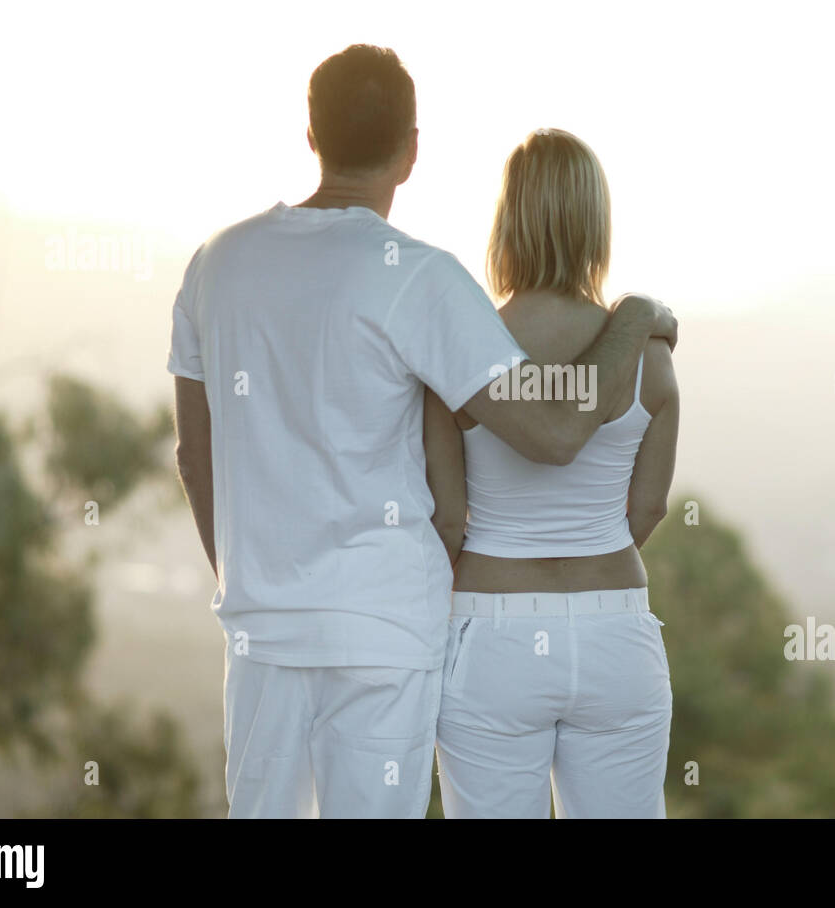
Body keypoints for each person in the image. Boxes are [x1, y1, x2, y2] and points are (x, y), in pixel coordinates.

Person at [167, 45, 676, 818]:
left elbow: (193, 457)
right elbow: (553, 435)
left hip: (263, 635)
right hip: (389, 633)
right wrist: (636, 316)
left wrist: (246, 583)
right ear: (411, 149)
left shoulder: (215, 262)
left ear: (312, 135)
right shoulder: (420, 277)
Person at [426, 128, 678, 818]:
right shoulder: (651, 357)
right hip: (616, 633)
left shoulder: (462, 350)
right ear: (596, 224)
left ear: (508, 221)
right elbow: (648, 510)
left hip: (491, 637)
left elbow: (447, 518)